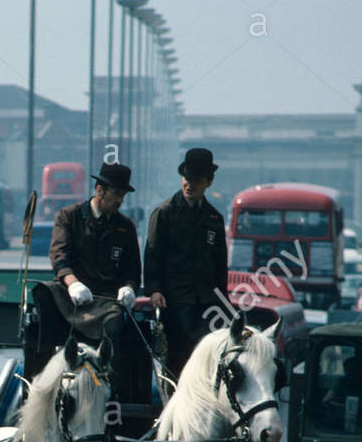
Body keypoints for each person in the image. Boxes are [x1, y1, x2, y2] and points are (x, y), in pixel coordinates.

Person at [143, 147, 227, 380]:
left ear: (208, 182)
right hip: (176, 298)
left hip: (208, 299)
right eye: (186, 179)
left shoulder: (214, 218)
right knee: (182, 355)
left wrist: (223, 301)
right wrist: (154, 290)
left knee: (216, 353)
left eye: (196, 181)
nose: (189, 185)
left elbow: (220, 265)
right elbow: (152, 256)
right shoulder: (165, 213)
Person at [46, 161, 141, 345]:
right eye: (116, 193)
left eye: (123, 195)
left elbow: (133, 271)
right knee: (44, 296)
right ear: (99, 190)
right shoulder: (69, 216)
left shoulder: (125, 227)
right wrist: (73, 283)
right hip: (71, 296)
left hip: (107, 301)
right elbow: (59, 257)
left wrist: (129, 288)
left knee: (116, 327)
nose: (120, 200)